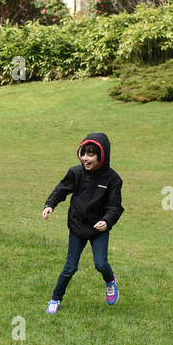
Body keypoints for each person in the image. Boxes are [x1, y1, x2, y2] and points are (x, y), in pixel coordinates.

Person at [41, 133, 123, 312]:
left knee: (100, 264)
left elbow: (115, 207)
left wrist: (106, 221)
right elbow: (61, 190)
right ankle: (55, 299)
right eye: (83, 153)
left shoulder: (113, 179)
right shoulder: (75, 173)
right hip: (77, 226)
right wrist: (50, 205)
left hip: (98, 228)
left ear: (101, 156)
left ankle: (110, 280)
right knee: (70, 267)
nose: (86, 158)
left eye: (91, 154)